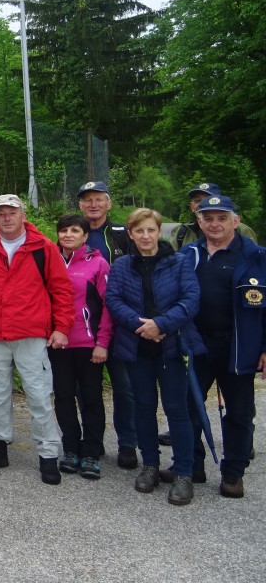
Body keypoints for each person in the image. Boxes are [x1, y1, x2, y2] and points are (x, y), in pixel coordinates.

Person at [0, 194, 74, 485]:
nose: (6, 218)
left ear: (23, 215)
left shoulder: (44, 248)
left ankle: (48, 453)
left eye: (12, 212)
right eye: (1, 213)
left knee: (38, 395)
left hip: (31, 334)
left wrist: (62, 327)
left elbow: (61, 290)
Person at [105, 208, 205, 506]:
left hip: (171, 347)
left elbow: (190, 299)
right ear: (131, 234)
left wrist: (160, 324)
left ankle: (184, 473)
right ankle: (149, 465)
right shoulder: (122, 266)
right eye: (139, 231)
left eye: (150, 230)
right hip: (137, 348)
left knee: (177, 411)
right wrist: (142, 326)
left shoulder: (179, 262)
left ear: (158, 231)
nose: (145, 236)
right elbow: (113, 300)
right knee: (144, 409)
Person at [177, 195, 266, 498]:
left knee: (239, 412)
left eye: (221, 218)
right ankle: (192, 466)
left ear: (235, 221)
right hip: (196, 344)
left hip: (240, 345)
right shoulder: (187, 254)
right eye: (208, 218)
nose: (215, 224)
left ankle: (233, 473)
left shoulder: (257, 257)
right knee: (189, 408)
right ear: (199, 221)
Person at [76, 180, 139, 470]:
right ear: (80, 205)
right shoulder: (74, 234)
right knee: (86, 388)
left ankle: (127, 442)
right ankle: (93, 440)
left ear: (109, 203)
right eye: (87, 200)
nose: (93, 204)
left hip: (120, 322)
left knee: (124, 387)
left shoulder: (122, 236)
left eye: (99, 199)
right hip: (86, 325)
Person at [51, 214, 113, 479]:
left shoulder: (98, 264)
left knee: (90, 399)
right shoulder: (50, 262)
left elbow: (108, 307)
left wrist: (102, 343)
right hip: (57, 343)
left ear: (85, 236)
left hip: (88, 344)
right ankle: (71, 448)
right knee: (63, 397)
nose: (68, 235)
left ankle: (90, 452)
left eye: (74, 230)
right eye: (63, 230)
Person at [172, 182, 258, 250]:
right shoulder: (183, 232)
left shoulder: (241, 230)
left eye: (208, 199)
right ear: (191, 206)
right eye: (197, 200)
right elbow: (171, 264)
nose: (202, 204)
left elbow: (254, 262)